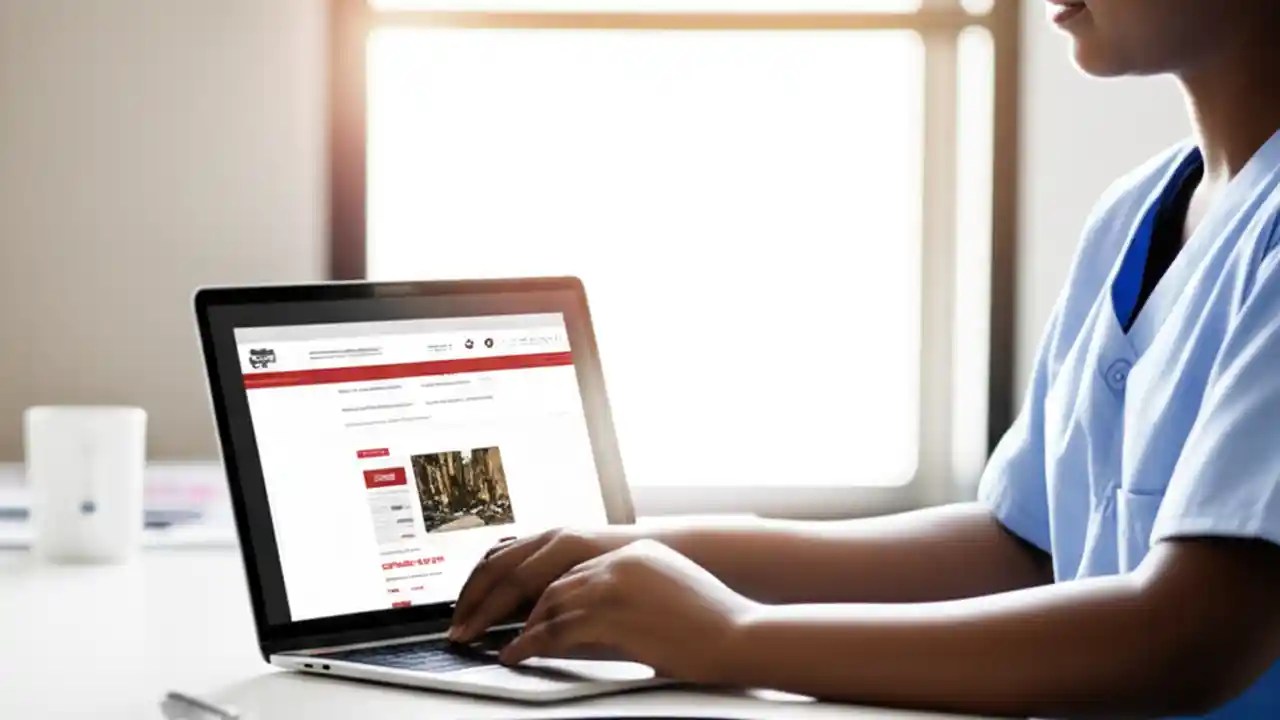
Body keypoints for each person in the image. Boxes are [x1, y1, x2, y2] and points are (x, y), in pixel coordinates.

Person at [449, 1, 1280, 716]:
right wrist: (652, 549)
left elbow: (1194, 634)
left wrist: (736, 636)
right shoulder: (1138, 211)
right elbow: (1023, 550)